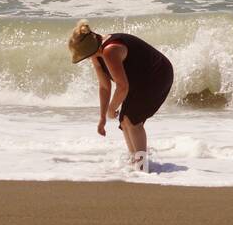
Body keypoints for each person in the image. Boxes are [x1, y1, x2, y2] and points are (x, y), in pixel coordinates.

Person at [68, 20, 174, 171]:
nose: (86, 58)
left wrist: (112, 109)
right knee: (124, 121)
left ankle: (142, 167)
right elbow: (104, 87)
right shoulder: (96, 54)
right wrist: (103, 117)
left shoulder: (110, 50)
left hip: (157, 75)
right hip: (138, 79)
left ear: (90, 49)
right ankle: (135, 162)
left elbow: (122, 86)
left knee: (132, 120)